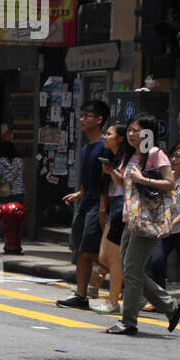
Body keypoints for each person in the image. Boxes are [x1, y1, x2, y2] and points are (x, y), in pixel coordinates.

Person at [103, 114, 180, 335]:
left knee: (131, 270)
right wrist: (113, 173)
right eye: (129, 130)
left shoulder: (155, 155)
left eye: (137, 130)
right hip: (130, 219)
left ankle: (128, 321)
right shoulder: (129, 154)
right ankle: (172, 306)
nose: (131, 134)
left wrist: (144, 180)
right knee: (129, 269)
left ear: (149, 133)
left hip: (148, 220)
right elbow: (124, 183)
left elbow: (170, 184)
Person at [55, 100, 109, 310]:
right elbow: (89, 179)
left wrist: (104, 208)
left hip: (98, 206)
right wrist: (79, 193)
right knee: (80, 251)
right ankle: (81, 295)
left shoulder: (105, 146)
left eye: (87, 116)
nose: (82, 119)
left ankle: (129, 280)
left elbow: (106, 180)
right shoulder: (87, 148)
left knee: (91, 251)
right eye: (82, 115)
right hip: (86, 203)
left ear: (99, 120)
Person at [89, 123, 128, 314]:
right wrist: (103, 208)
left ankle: (113, 300)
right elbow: (105, 186)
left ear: (120, 139)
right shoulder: (112, 158)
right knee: (105, 257)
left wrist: (113, 171)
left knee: (114, 259)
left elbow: (124, 182)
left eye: (109, 134)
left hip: (123, 206)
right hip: (114, 206)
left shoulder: (128, 158)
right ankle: (142, 293)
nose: (105, 136)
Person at [149, 143, 180, 294]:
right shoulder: (166, 176)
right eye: (172, 155)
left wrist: (170, 224)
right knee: (157, 261)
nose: (174, 159)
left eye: (178, 156)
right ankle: (161, 299)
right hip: (165, 229)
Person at [0, 140, 25, 206]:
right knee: (16, 213)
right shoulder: (20, 161)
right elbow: (23, 176)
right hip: (18, 192)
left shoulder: (0, 161)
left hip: (4, 192)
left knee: (4, 213)